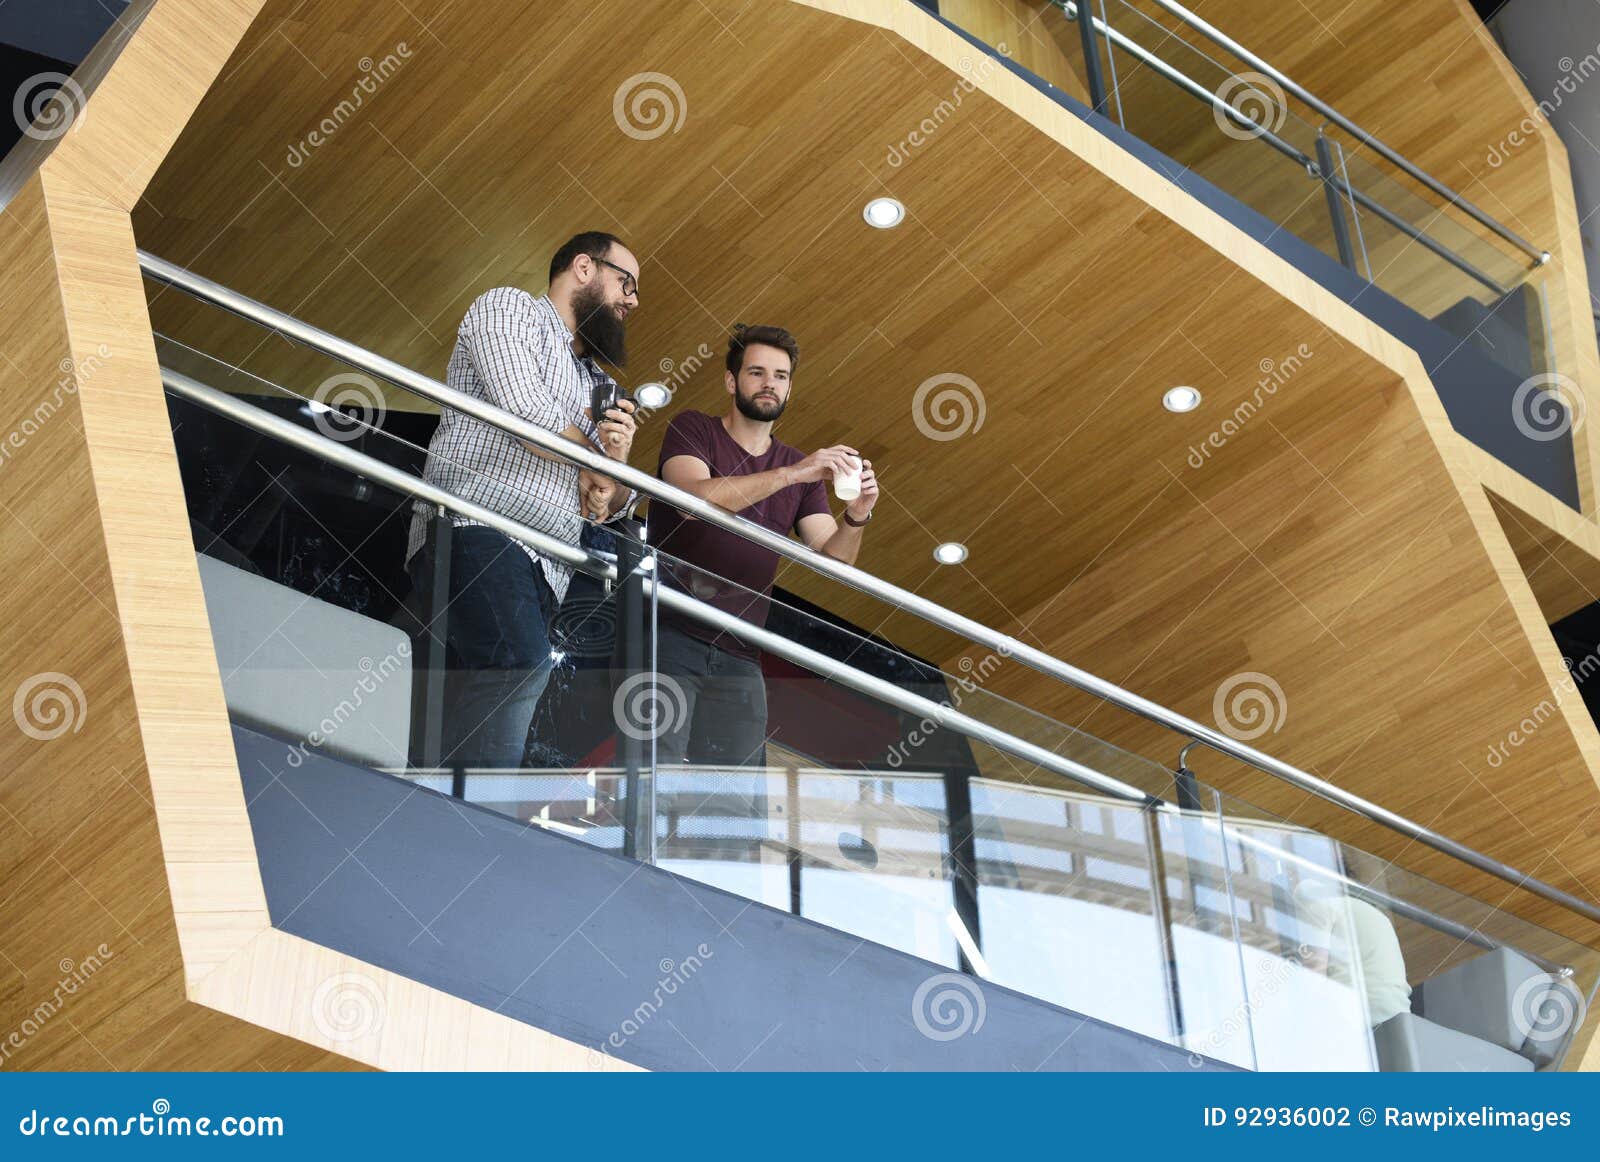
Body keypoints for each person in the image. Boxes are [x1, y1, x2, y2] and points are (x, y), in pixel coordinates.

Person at [405, 231, 641, 774]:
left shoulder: (599, 383)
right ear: (584, 267)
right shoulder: (510, 309)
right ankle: (470, 812)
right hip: (475, 526)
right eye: (626, 283)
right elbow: (524, 414)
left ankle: (440, 797)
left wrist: (616, 465)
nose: (633, 301)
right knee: (519, 666)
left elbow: (609, 507)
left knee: (497, 680)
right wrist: (595, 461)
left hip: (547, 567)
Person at [646, 324, 881, 768]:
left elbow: (834, 560)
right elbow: (693, 502)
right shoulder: (695, 427)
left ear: (790, 388)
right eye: (757, 372)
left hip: (741, 651)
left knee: (736, 797)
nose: (769, 383)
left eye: (780, 375)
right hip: (668, 632)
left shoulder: (799, 469)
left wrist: (857, 514)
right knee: (657, 774)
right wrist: (792, 475)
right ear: (731, 381)